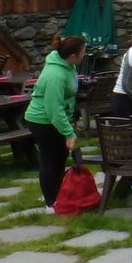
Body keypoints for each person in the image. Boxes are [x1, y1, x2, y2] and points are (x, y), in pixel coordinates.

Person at [24, 34, 84, 210]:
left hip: (56, 119)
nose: (84, 55)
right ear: (72, 56)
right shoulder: (55, 76)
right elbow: (54, 111)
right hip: (43, 121)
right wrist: (69, 133)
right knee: (50, 160)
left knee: (60, 157)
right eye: (82, 53)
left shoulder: (68, 66)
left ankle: (58, 195)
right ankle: (51, 202)